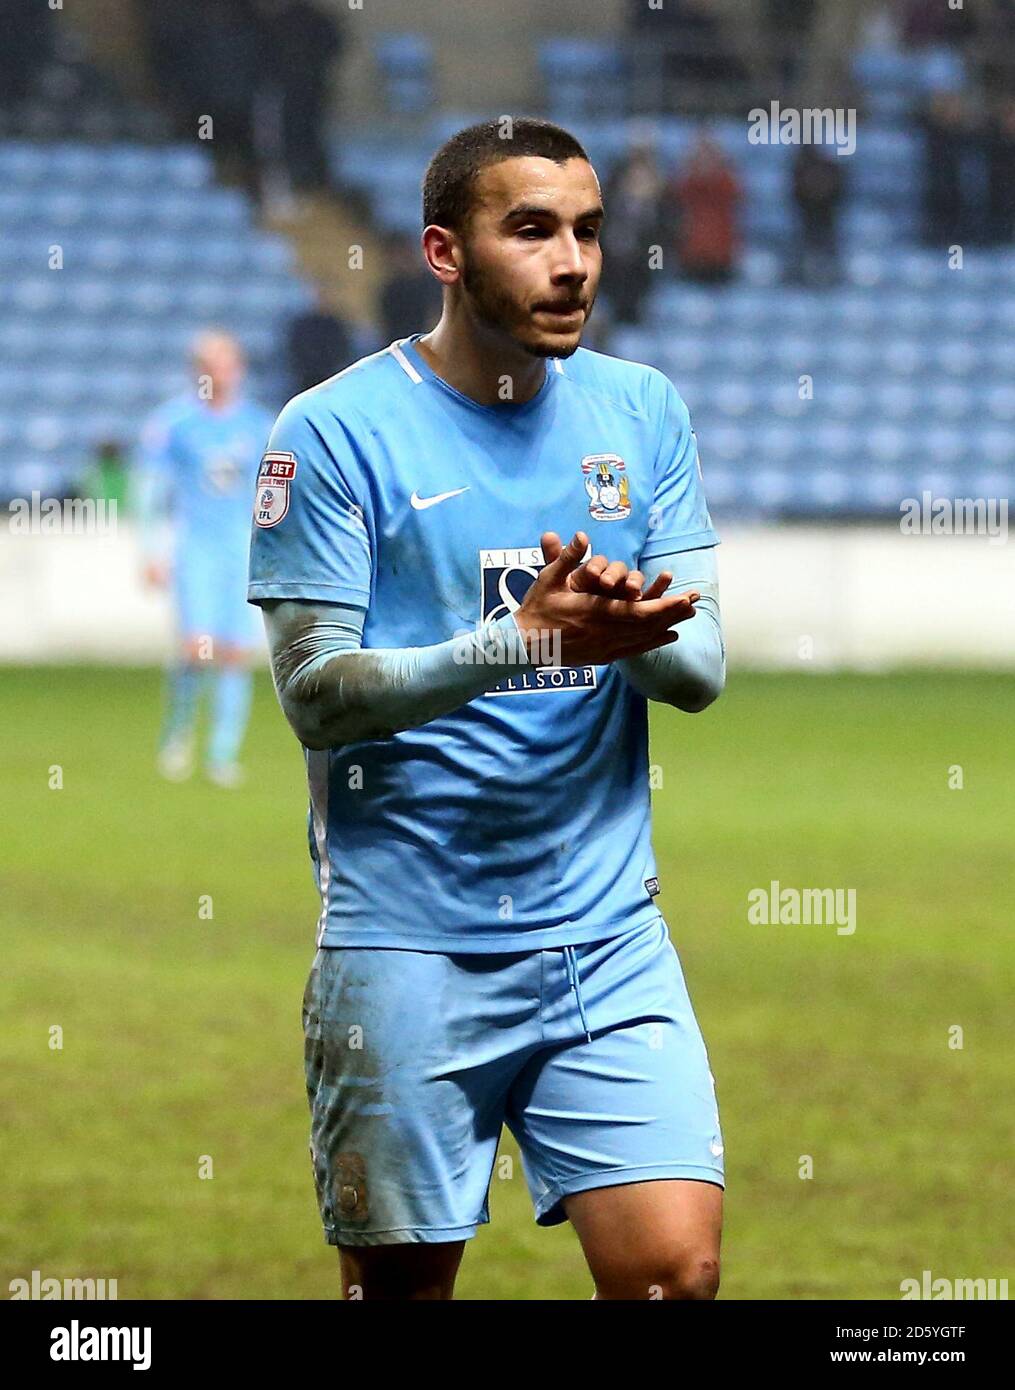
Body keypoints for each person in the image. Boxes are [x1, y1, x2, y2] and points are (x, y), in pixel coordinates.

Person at [248, 118, 726, 1301]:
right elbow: (314, 694)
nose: (572, 262)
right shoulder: (331, 431)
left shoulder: (642, 410)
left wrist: (630, 638)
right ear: (445, 254)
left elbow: (703, 667)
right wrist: (519, 642)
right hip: (409, 942)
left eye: (588, 231)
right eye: (531, 231)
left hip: (608, 938)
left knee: (676, 1277)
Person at [136, 331, 273, 787]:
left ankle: (221, 755)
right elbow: (150, 490)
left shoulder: (259, 425)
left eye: (228, 364)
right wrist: (151, 550)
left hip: (240, 549)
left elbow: (274, 495)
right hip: (196, 547)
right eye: (211, 365)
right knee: (197, 649)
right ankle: (177, 734)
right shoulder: (174, 423)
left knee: (234, 653)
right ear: (198, 371)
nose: (220, 374)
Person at [670, 132, 742, 283]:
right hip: (689, 257)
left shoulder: (726, 184)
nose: (705, 161)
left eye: (709, 155)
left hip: (723, 257)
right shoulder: (686, 185)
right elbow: (674, 195)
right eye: (700, 156)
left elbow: (737, 194)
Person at [286, 284, 355, 394]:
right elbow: (295, 349)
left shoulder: (336, 325)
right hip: (306, 377)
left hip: (332, 376)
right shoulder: (302, 324)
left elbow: (342, 350)